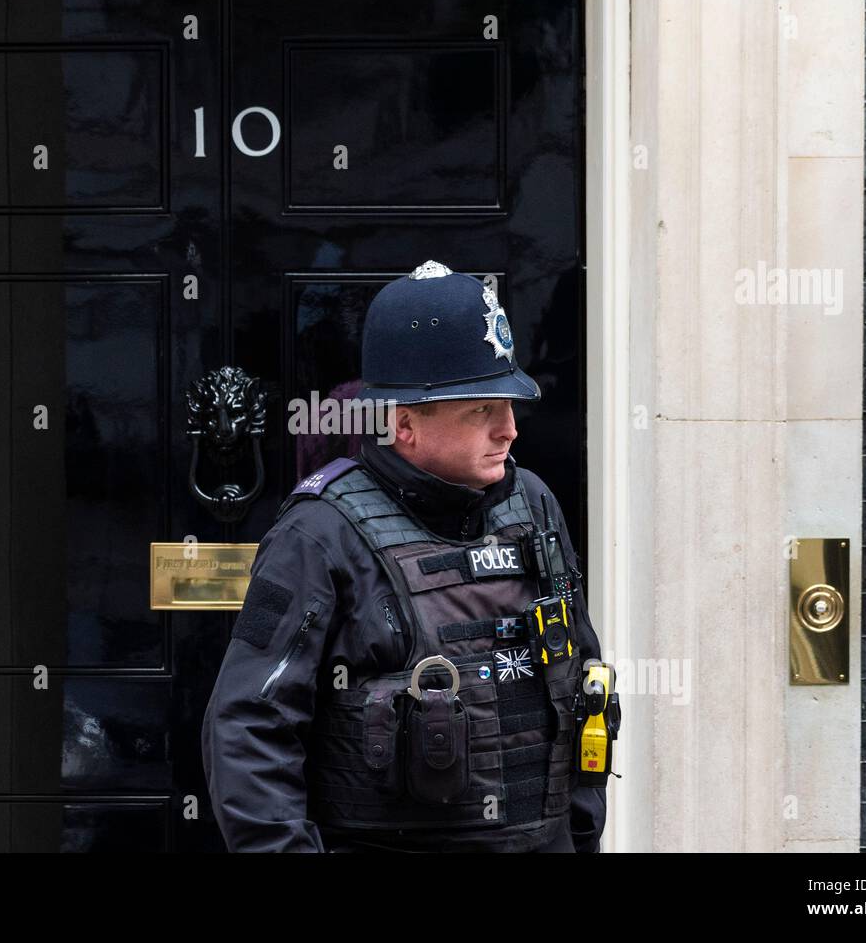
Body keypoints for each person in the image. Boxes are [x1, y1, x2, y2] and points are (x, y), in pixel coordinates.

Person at [201, 260, 609, 852]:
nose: (510, 430)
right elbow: (248, 726)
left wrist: (579, 834)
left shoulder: (533, 504)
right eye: (482, 409)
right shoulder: (319, 534)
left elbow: (581, 680)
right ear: (405, 423)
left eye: (510, 406)